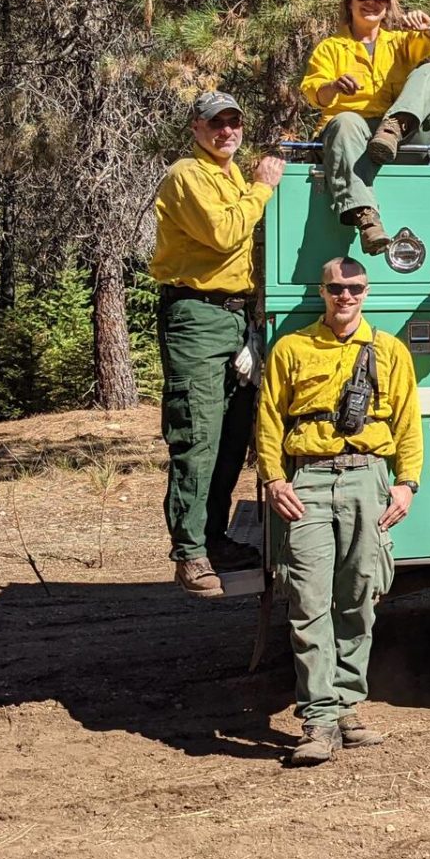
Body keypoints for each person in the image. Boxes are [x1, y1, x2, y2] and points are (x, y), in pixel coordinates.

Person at [255, 255, 422, 767]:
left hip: (368, 478)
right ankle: (318, 719)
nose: (345, 296)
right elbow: (268, 418)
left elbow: (409, 421)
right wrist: (274, 478)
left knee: (359, 598)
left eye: (354, 288)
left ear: (366, 292)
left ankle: (347, 706)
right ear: (322, 292)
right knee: (308, 602)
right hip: (306, 480)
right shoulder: (292, 348)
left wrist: (407, 483)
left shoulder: (390, 351)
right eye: (336, 288)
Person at [150, 91, 285, 597]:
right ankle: (189, 553)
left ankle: (214, 538)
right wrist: (263, 187)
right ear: (197, 128)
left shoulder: (230, 177)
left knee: (231, 436)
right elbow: (226, 234)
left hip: (234, 318)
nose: (227, 131)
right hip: (196, 315)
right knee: (198, 435)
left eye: (234, 122)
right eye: (216, 123)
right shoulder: (187, 175)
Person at [300, 0, 430, 255]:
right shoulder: (331, 48)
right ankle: (366, 218)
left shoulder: (399, 43)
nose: (371, 1)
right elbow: (314, 93)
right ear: (350, 1)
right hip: (353, 140)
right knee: (345, 120)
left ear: (387, 6)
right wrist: (334, 86)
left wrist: (428, 24)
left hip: (398, 139)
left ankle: (393, 127)